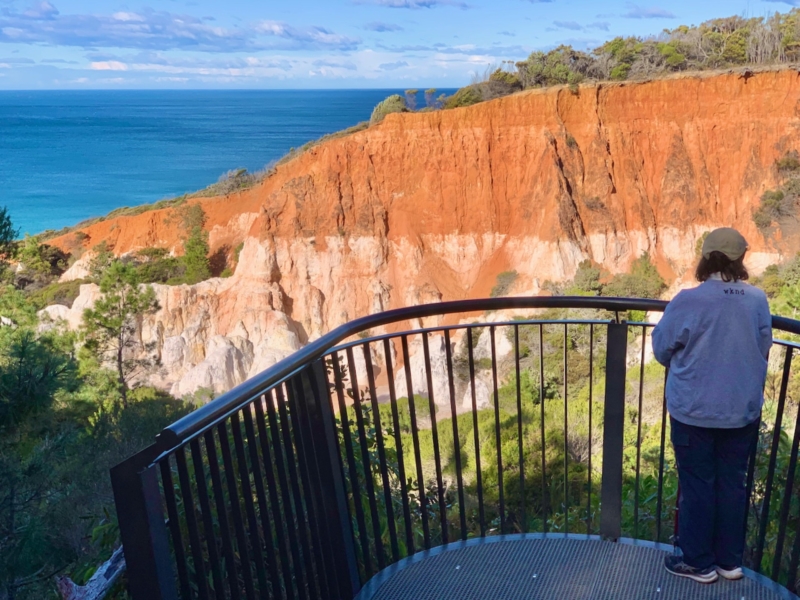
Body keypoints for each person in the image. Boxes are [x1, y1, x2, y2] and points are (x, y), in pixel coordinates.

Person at [652, 227, 772, 584]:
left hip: (695, 412)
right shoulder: (757, 300)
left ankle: (699, 563)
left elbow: (661, 349)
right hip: (741, 411)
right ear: (740, 260)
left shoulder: (688, 300)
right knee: (733, 485)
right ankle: (729, 561)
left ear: (705, 258)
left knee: (698, 486)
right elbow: (763, 346)